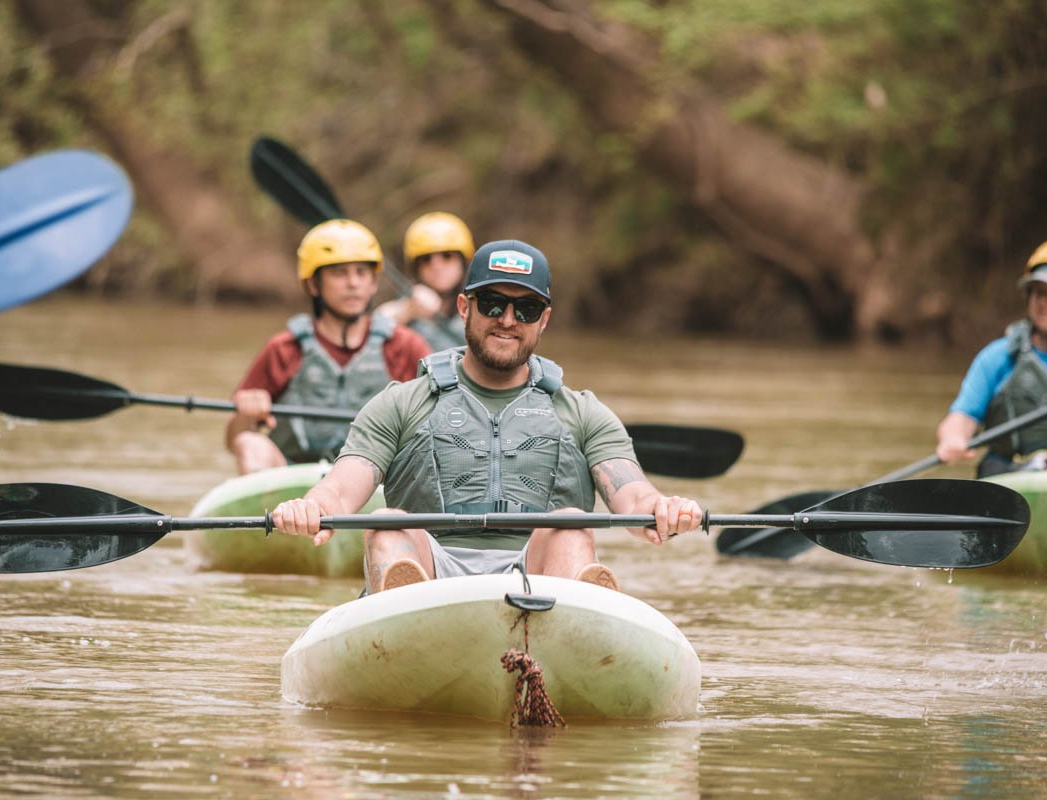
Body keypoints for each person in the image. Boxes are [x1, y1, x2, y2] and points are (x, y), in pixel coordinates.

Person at [271, 239, 704, 594]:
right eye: (493, 304)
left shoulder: (583, 411)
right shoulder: (401, 403)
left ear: (544, 319)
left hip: (538, 581)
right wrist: (314, 507)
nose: (508, 321)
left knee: (568, 527)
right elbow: (344, 486)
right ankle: (404, 624)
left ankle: (580, 618)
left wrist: (662, 508)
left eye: (526, 310)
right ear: (465, 308)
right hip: (428, 578)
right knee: (387, 522)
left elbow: (632, 496)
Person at [225, 219, 432, 474]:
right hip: (294, 481)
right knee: (250, 443)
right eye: (339, 273)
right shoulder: (284, 349)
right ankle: (265, 511)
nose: (353, 283)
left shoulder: (404, 346)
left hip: (376, 479)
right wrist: (244, 415)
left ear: (373, 283)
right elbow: (233, 440)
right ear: (312, 284)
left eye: (361, 272)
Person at [936, 237, 1047, 476]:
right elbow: (961, 418)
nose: (1044, 302)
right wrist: (953, 439)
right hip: (1010, 486)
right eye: (1037, 292)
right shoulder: (998, 357)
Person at [374, 212, 474, 351]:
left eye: (447, 256)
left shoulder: (480, 306)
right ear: (416, 268)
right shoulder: (405, 308)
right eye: (426, 259)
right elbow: (374, 328)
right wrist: (409, 310)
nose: (437, 266)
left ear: (463, 261)